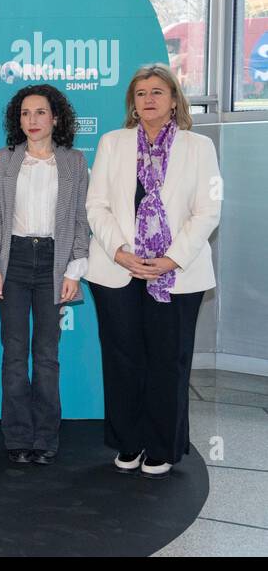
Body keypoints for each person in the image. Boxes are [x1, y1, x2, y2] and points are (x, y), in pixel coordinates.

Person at [84, 64, 221, 479]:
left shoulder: (199, 148)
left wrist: (172, 258)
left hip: (176, 274)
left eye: (157, 91)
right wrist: (121, 251)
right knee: (123, 359)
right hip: (117, 270)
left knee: (168, 361)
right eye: (140, 92)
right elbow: (97, 205)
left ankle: (162, 447)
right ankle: (129, 441)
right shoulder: (112, 143)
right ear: (132, 102)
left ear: (174, 99)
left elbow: (208, 210)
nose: (148, 99)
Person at [0, 84, 89, 466]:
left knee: (46, 355)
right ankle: (17, 437)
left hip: (54, 263)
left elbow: (80, 220)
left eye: (40, 112)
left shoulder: (74, 162)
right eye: (26, 113)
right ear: (18, 119)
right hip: (13, 260)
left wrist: (75, 270)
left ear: (55, 117)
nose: (33, 120)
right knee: (14, 354)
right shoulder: (5, 159)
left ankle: (45, 437)